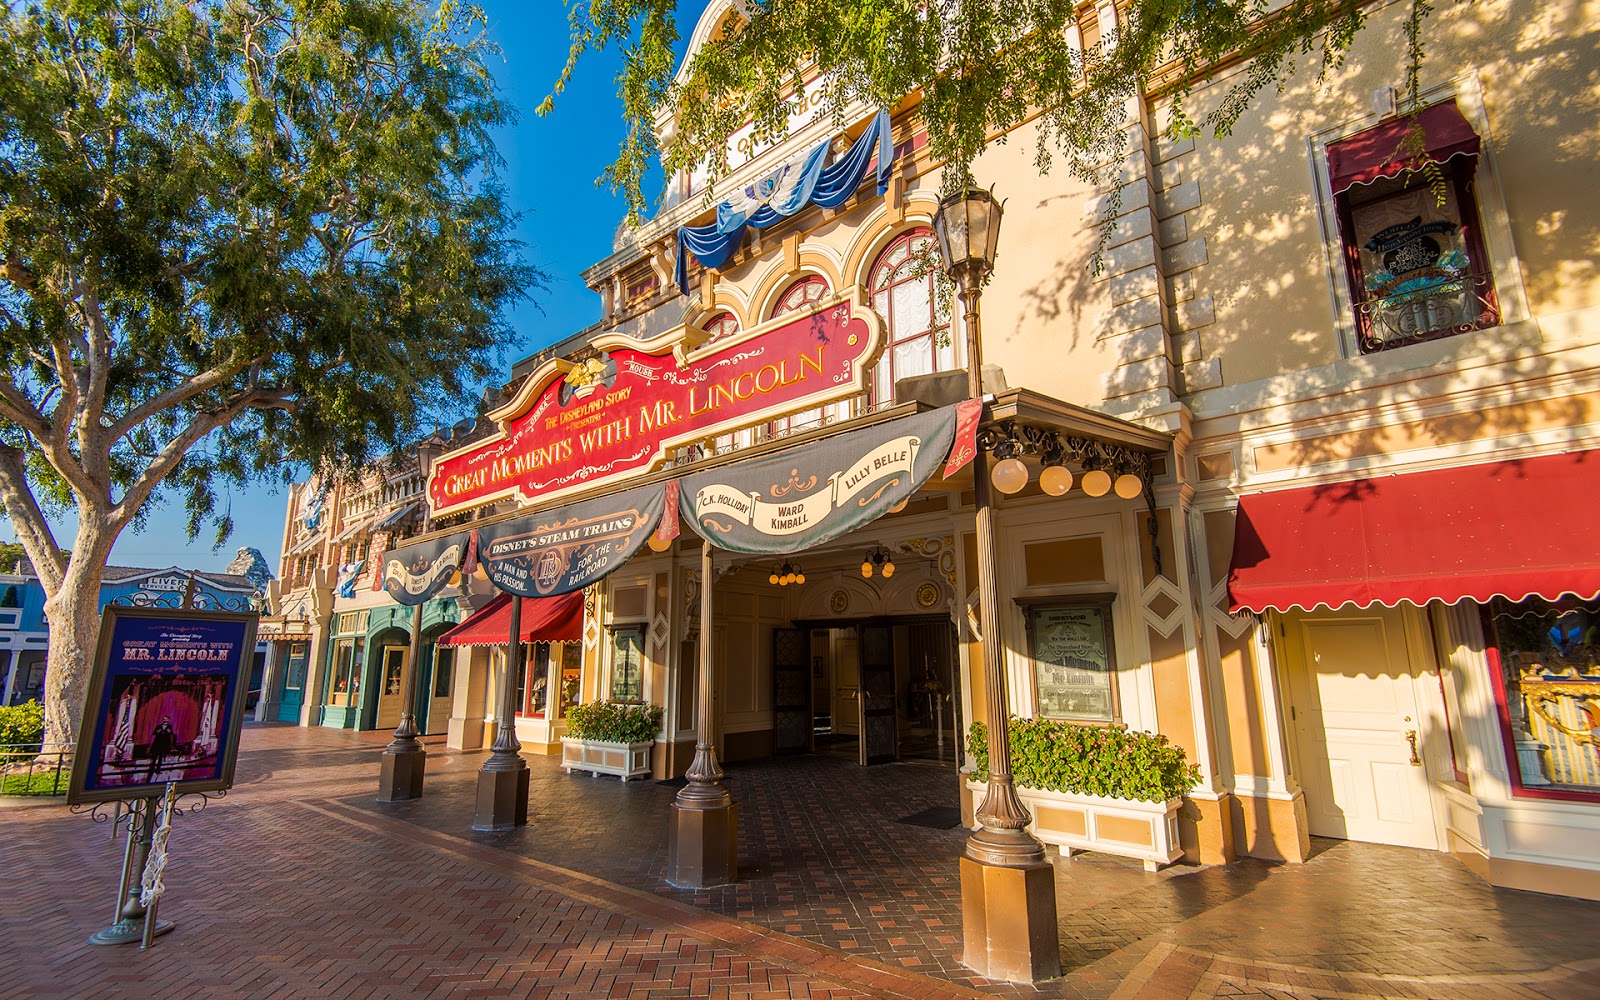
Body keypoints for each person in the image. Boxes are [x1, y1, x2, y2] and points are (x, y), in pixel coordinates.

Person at [145, 717, 177, 781]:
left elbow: (171, 734)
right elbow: (154, 733)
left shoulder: (170, 727)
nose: (165, 720)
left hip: (164, 744)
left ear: (168, 720)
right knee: (154, 757)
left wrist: (169, 732)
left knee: (160, 757)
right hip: (157, 744)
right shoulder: (159, 726)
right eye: (164, 719)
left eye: (166, 719)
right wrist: (157, 731)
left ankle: (158, 769)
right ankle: (152, 769)